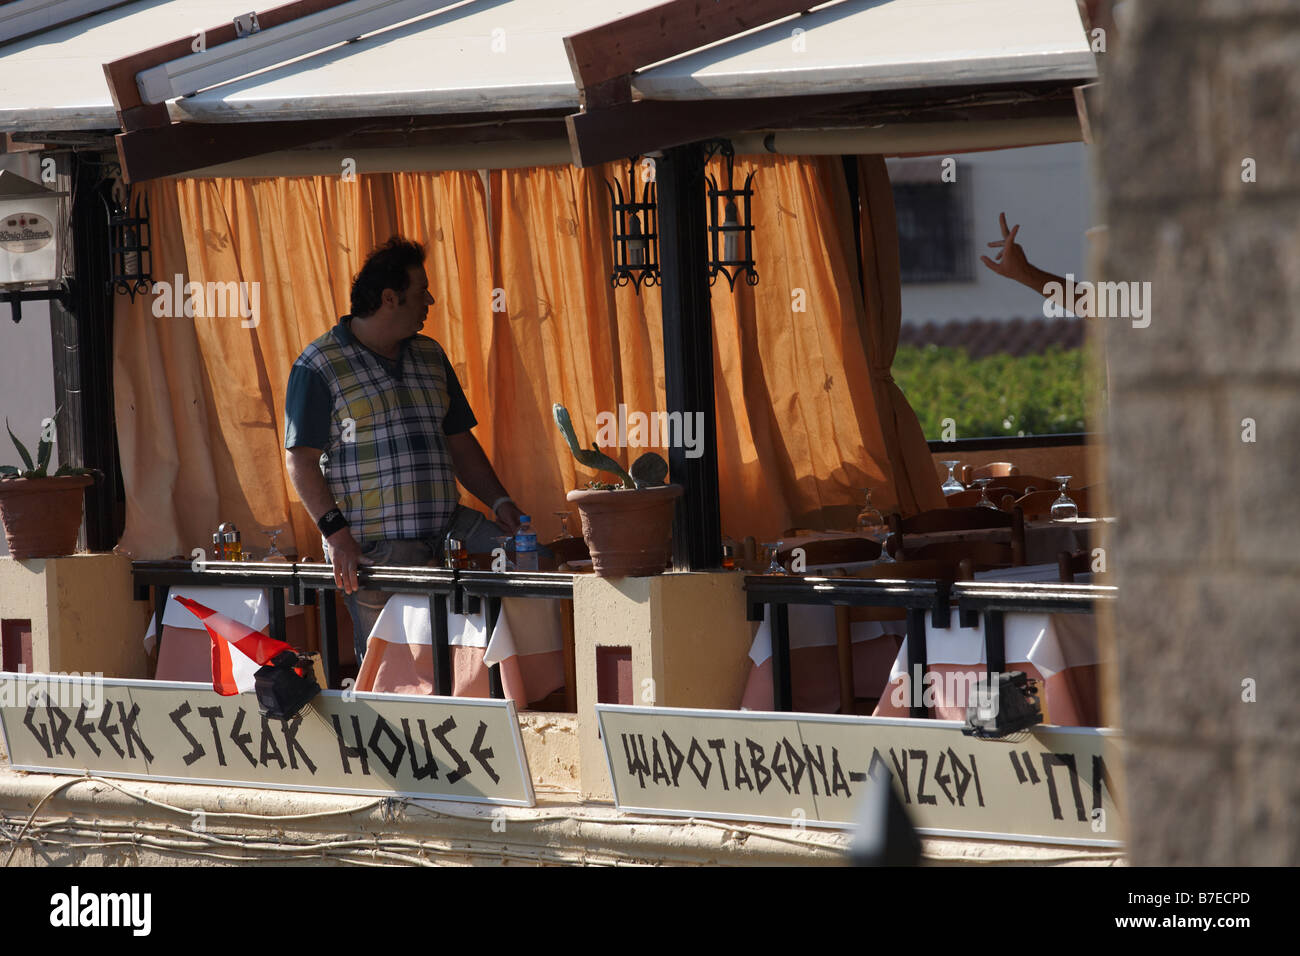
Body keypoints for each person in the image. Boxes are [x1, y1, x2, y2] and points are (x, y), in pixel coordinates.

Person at [284, 236, 526, 661]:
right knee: (396, 668)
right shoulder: (318, 364)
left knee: (530, 564)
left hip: (451, 534)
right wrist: (338, 538)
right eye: (421, 291)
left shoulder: (431, 356)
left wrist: (500, 500)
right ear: (390, 298)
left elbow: (458, 441)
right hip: (376, 550)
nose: (430, 299)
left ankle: (522, 699)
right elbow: (300, 461)